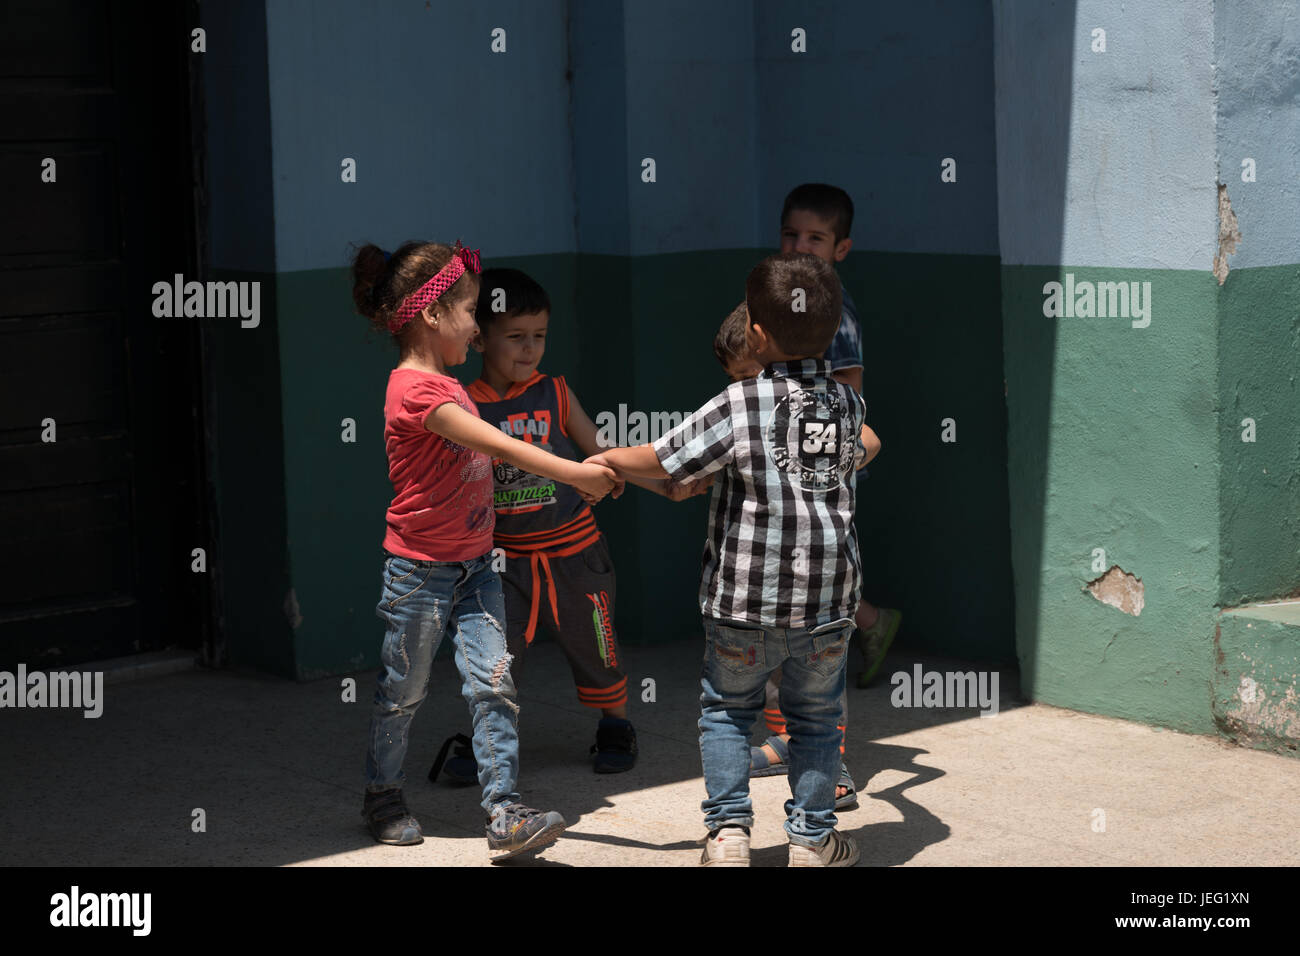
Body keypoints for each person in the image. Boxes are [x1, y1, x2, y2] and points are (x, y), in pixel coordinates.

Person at [589, 253, 874, 866]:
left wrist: (608, 461)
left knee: (726, 713)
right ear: (832, 333)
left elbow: (666, 461)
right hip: (827, 604)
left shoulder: (741, 401)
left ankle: (727, 835)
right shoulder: (848, 409)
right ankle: (812, 840)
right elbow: (855, 454)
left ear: (757, 335)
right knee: (818, 722)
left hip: (744, 604)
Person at [352, 240, 618, 861]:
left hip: (477, 567)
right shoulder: (416, 393)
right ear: (433, 315)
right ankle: (383, 795)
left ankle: (504, 813)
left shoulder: (446, 380)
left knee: (493, 684)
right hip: (419, 573)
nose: (478, 324)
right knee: (403, 691)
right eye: (470, 310)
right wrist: (574, 473)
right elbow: (499, 446)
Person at [714, 302, 880, 808]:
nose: (742, 385)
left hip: (813, 583)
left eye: (748, 374)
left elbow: (870, 439)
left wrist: (827, 463)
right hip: (761, 578)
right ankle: (789, 747)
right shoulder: (743, 407)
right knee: (772, 678)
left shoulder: (818, 405)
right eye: (735, 378)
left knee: (815, 693)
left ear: (771, 353)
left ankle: (835, 771)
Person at [779, 184, 902, 691]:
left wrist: (819, 447)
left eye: (816, 237)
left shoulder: (836, 311)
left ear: (840, 249)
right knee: (800, 560)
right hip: (785, 450)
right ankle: (869, 624)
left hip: (823, 458)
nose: (800, 247)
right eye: (791, 235)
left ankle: (857, 633)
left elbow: (849, 385)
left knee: (816, 565)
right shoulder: (781, 295)